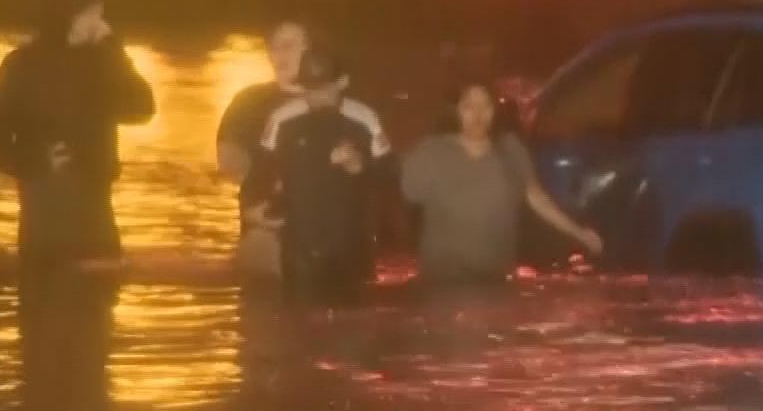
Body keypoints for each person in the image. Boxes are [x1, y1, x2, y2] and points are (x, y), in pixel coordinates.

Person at [0, 0, 155, 270]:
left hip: (91, 203)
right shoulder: (24, 64)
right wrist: (31, 160)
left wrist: (113, 50)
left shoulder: (101, 61)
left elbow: (141, 108)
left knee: (90, 285)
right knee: (54, 281)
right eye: (94, 16)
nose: (101, 24)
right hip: (47, 205)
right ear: (73, 17)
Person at [401, 80, 603, 285]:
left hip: (496, 279)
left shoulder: (510, 149)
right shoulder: (432, 150)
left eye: (485, 106)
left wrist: (580, 234)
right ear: (456, 111)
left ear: (495, 111)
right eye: (469, 106)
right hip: (443, 279)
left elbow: (537, 198)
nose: (478, 115)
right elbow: (409, 191)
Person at [249, 48, 390, 302]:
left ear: (342, 82)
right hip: (299, 251)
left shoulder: (365, 120)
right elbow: (258, 176)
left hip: (351, 251)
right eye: (310, 89)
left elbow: (391, 178)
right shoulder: (282, 121)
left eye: (325, 88)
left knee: (353, 331)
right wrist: (254, 210)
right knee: (299, 329)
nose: (318, 97)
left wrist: (360, 165)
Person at [215, 21, 309, 276]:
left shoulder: (331, 104)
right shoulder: (248, 102)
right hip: (264, 228)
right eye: (274, 47)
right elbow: (229, 161)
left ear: (309, 50)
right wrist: (260, 200)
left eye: (289, 46)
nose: (280, 54)